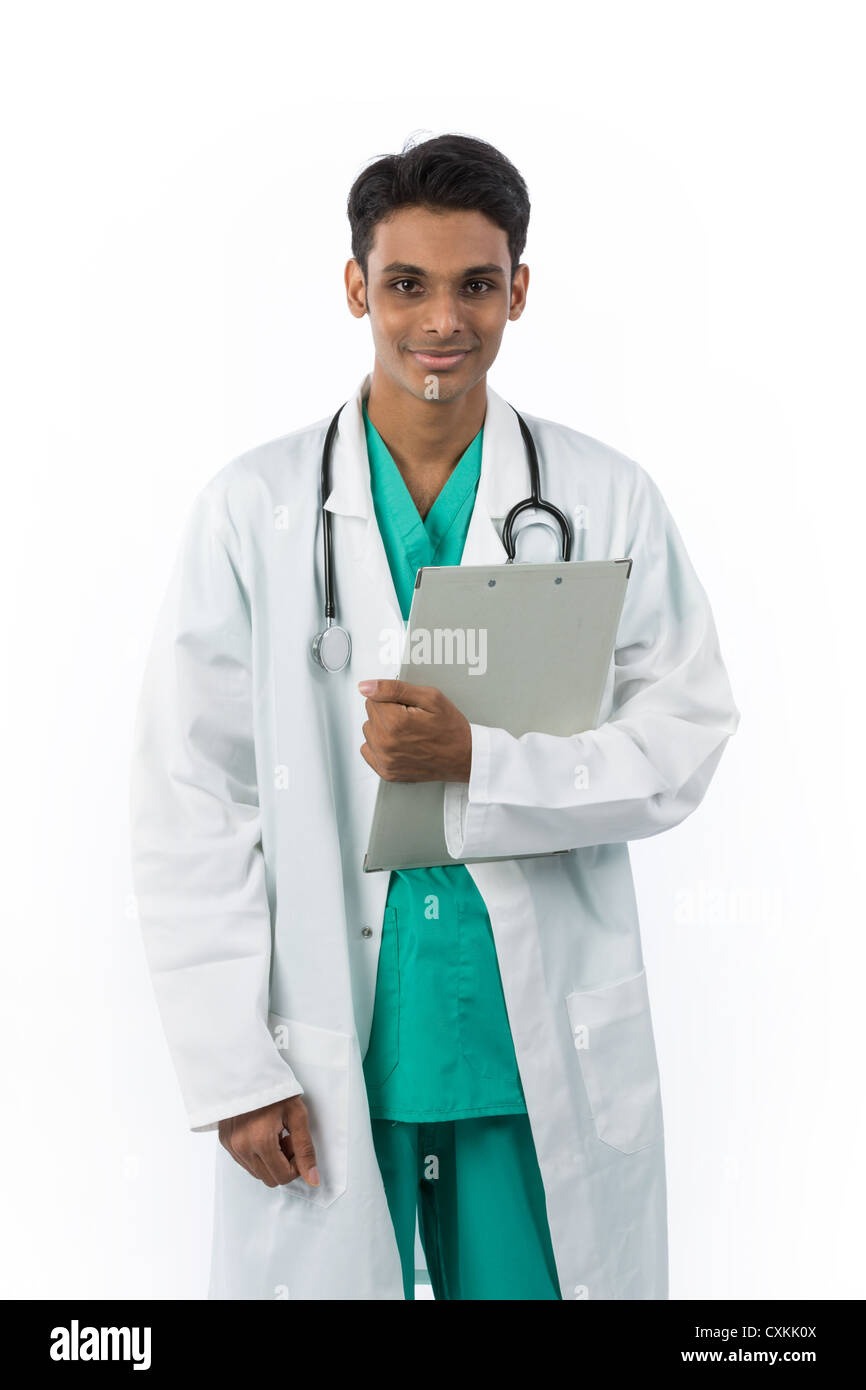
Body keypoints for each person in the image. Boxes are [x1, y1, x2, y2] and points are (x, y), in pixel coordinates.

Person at [129, 132, 740, 1301]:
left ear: (519, 287)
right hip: (329, 1043)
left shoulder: (600, 495)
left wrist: (484, 762)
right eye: (406, 283)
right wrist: (229, 1063)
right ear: (357, 286)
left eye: (474, 283)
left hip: (527, 1042)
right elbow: (190, 792)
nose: (440, 320)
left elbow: (687, 729)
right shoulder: (254, 509)